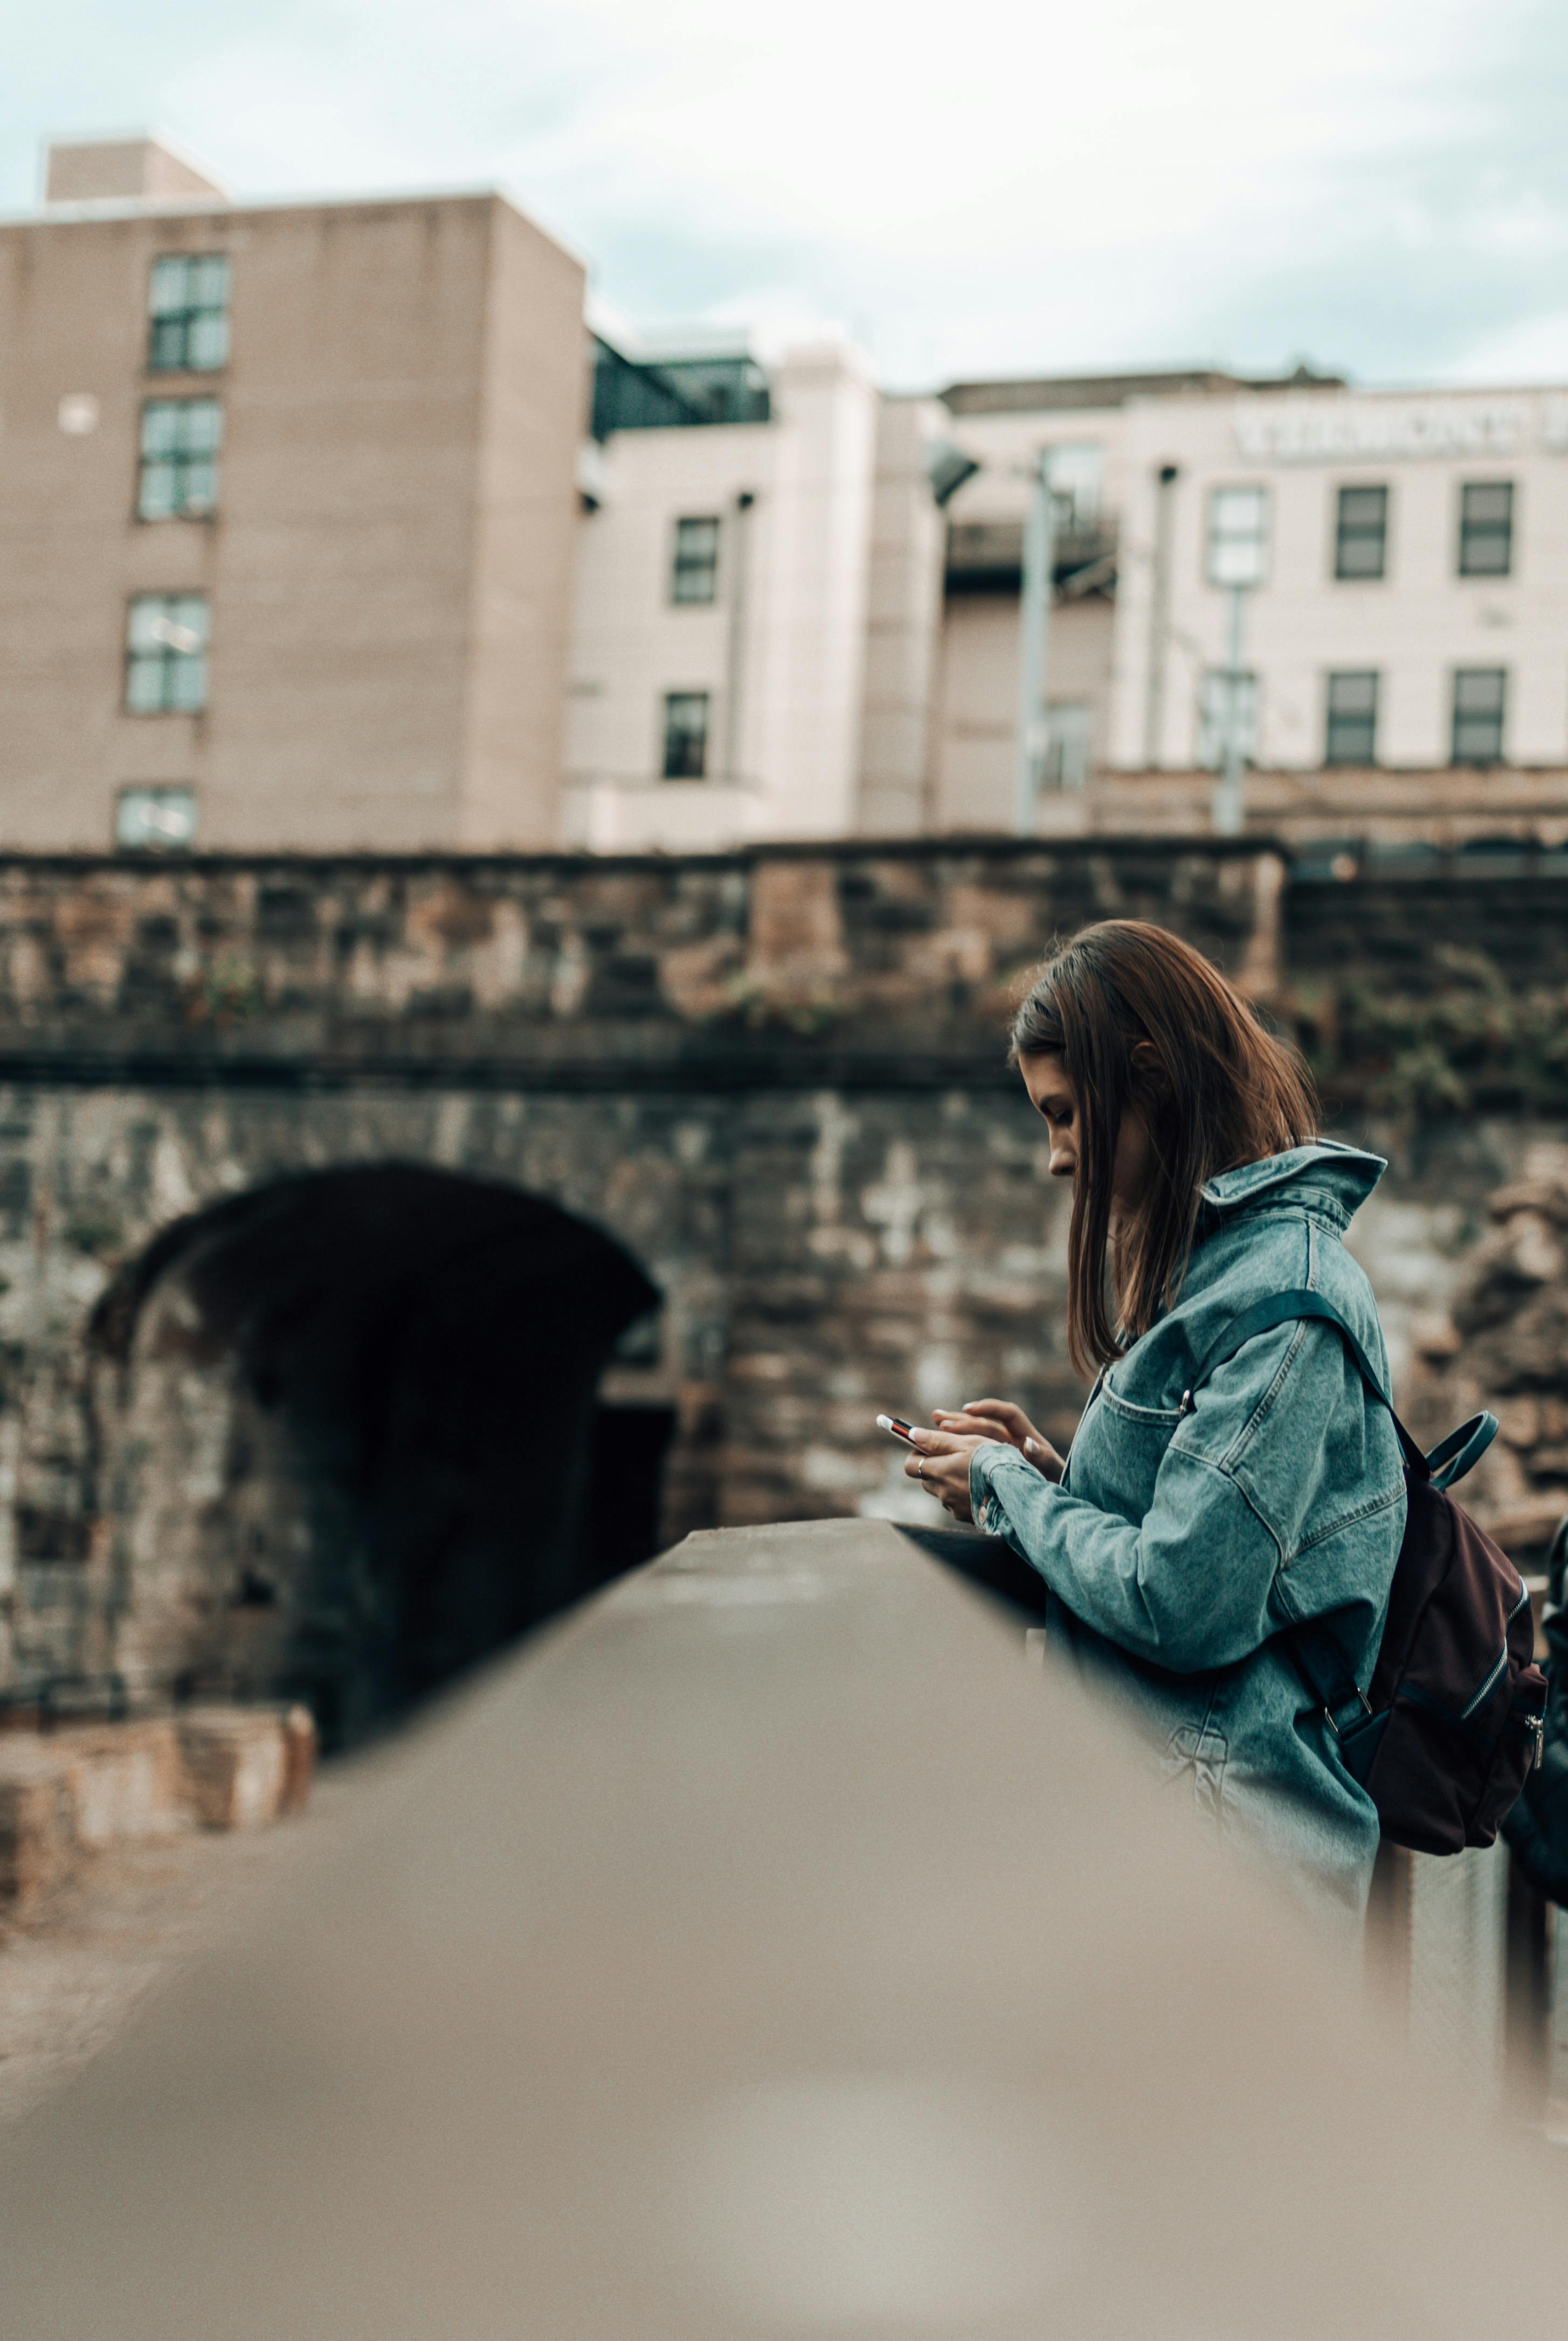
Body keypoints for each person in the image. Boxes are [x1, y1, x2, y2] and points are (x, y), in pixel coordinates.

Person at [903, 920, 1405, 1929]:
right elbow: (1210, 1527)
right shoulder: (1223, 1275)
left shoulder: (1283, 1300)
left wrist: (1008, 1495)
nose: (1055, 1160)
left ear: (1150, 1082)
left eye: (1064, 1117)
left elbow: (1184, 1600)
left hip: (1224, 1855)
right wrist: (1048, 1471)